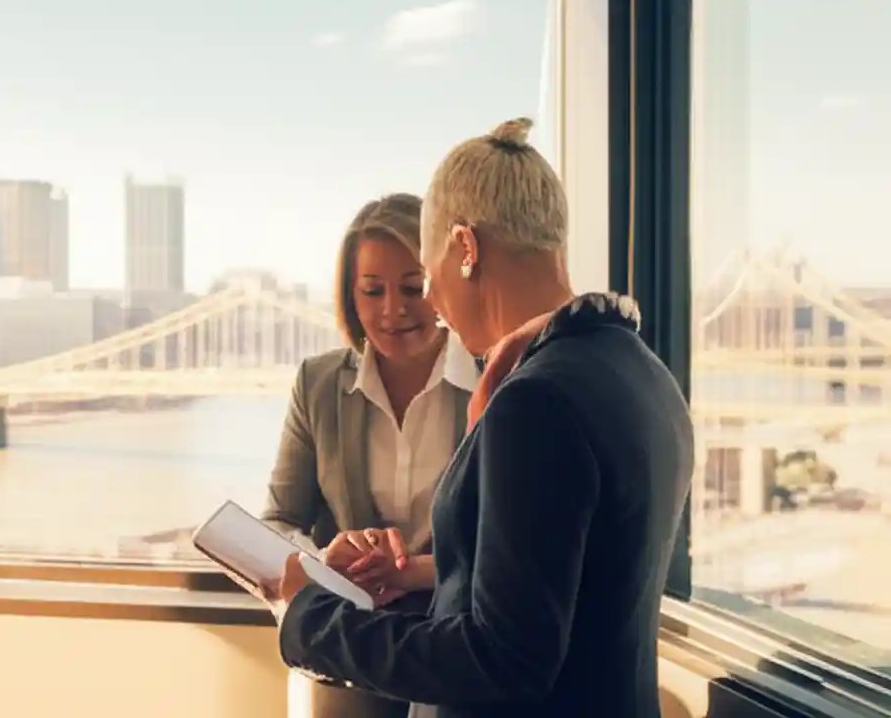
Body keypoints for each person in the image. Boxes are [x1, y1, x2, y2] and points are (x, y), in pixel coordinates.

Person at [264, 118, 695, 718]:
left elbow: (500, 660)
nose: (432, 302)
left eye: (427, 275)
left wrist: (309, 617)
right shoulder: (643, 372)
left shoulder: (533, 402)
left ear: (465, 249)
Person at [261, 193, 475, 718]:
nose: (393, 310)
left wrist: (414, 570)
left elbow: (505, 550)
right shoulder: (317, 384)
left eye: (411, 287)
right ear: (349, 297)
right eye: (372, 290)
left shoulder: (494, 384)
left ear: (441, 283)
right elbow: (279, 522)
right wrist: (326, 557)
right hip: (344, 661)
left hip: (455, 658)